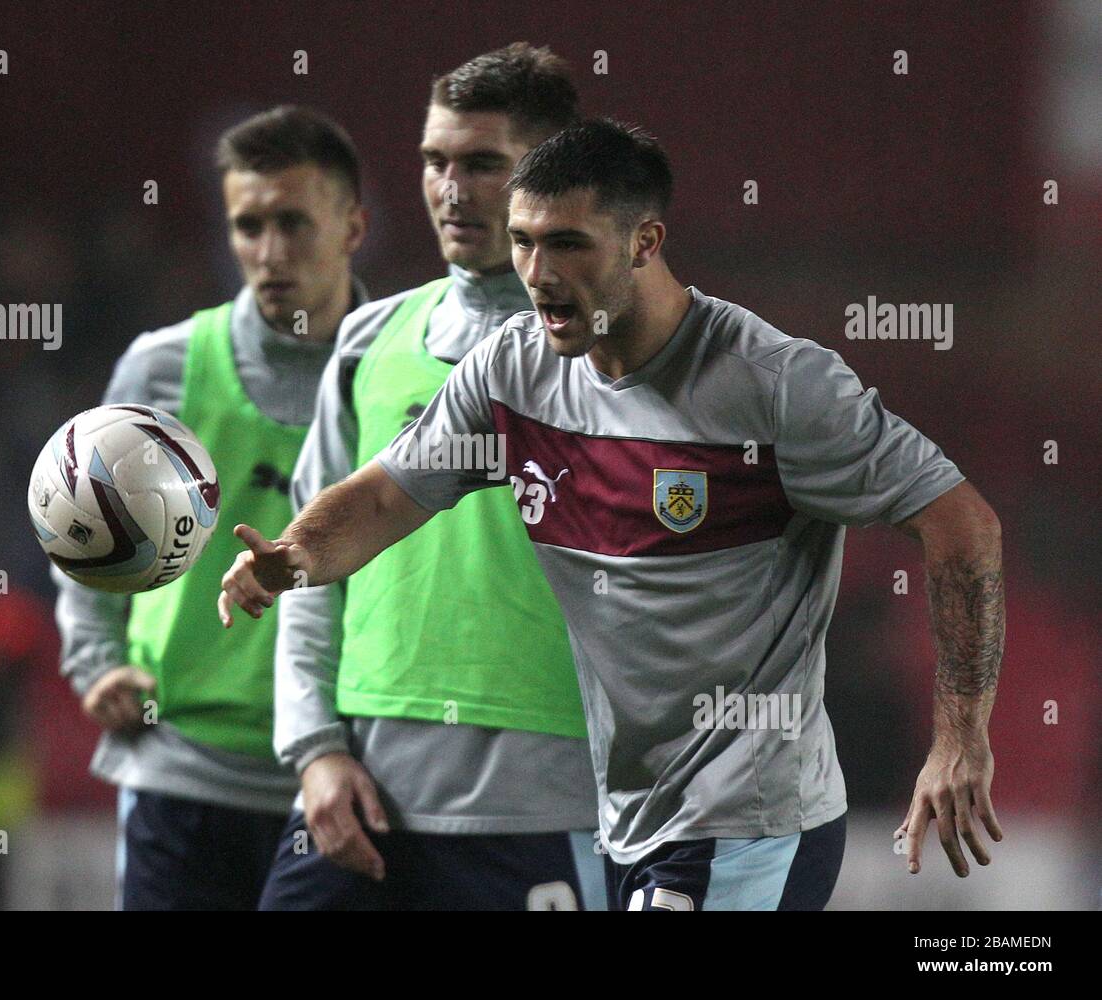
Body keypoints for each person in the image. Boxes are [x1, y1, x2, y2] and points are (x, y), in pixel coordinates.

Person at [219, 119, 1006, 911]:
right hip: (628, 819)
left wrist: (960, 736)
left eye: (568, 244)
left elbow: (962, 522)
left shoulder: (775, 387)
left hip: (747, 821)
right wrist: (296, 556)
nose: (538, 272)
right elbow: (390, 492)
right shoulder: (512, 371)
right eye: (523, 242)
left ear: (644, 242)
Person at [257, 44, 604, 911]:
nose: (451, 189)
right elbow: (302, 566)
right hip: (360, 797)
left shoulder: (621, 357)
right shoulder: (369, 342)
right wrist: (315, 752)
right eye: (434, 161)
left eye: (482, 164)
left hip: (546, 799)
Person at [54, 106, 367, 909]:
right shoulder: (162, 370)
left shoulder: (397, 367)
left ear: (353, 225)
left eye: (293, 222)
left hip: (342, 779)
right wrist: (95, 662)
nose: (267, 253)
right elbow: (87, 529)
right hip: (178, 769)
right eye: (247, 225)